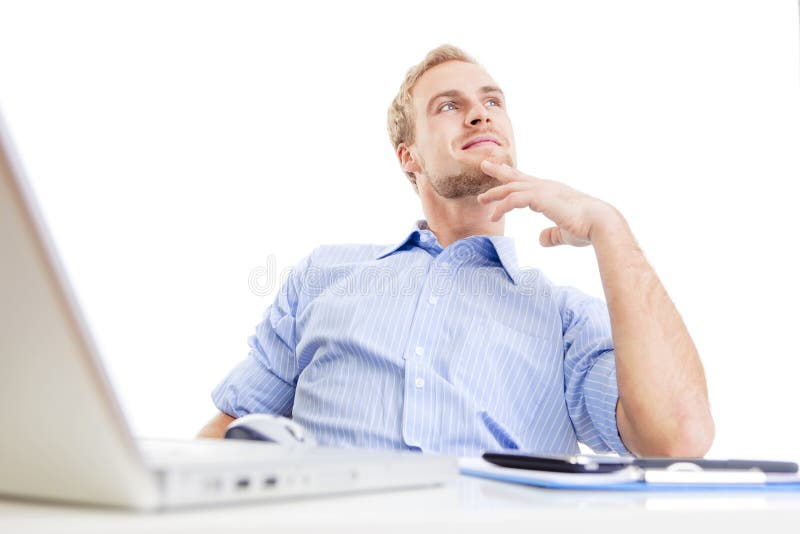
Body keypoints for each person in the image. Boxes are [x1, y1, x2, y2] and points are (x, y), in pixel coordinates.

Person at [198, 45, 714, 457]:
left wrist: (610, 229)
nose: (479, 116)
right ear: (410, 157)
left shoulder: (565, 319)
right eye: (450, 106)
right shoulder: (323, 275)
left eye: (493, 102)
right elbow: (228, 434)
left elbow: (678, 438)